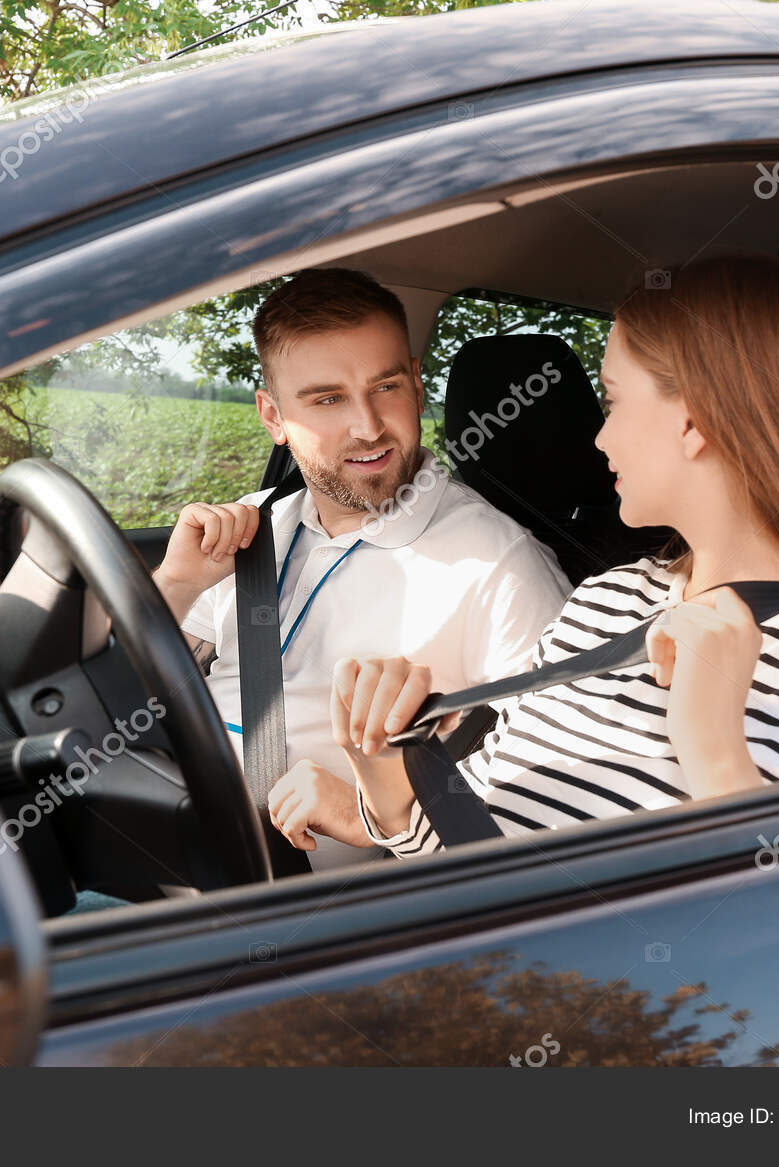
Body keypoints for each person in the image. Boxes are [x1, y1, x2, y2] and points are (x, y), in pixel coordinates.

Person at [298, 254, 779, 856]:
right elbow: (480, 861)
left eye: (614, 399)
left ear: (693, 420)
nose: (598, 440)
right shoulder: (605, 601)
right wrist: (386, 780)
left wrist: (716, 751)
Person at [150, 268, 571, 869]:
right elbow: (122, 699)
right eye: (328, 399)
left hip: (306, 906)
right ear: (273, 417)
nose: (369, 426)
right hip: (176, 830)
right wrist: (177, 583)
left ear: (418, 386)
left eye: (387, 387)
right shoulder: (250, 527)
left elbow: (561, 793)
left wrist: (374, 816)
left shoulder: (498, 563)